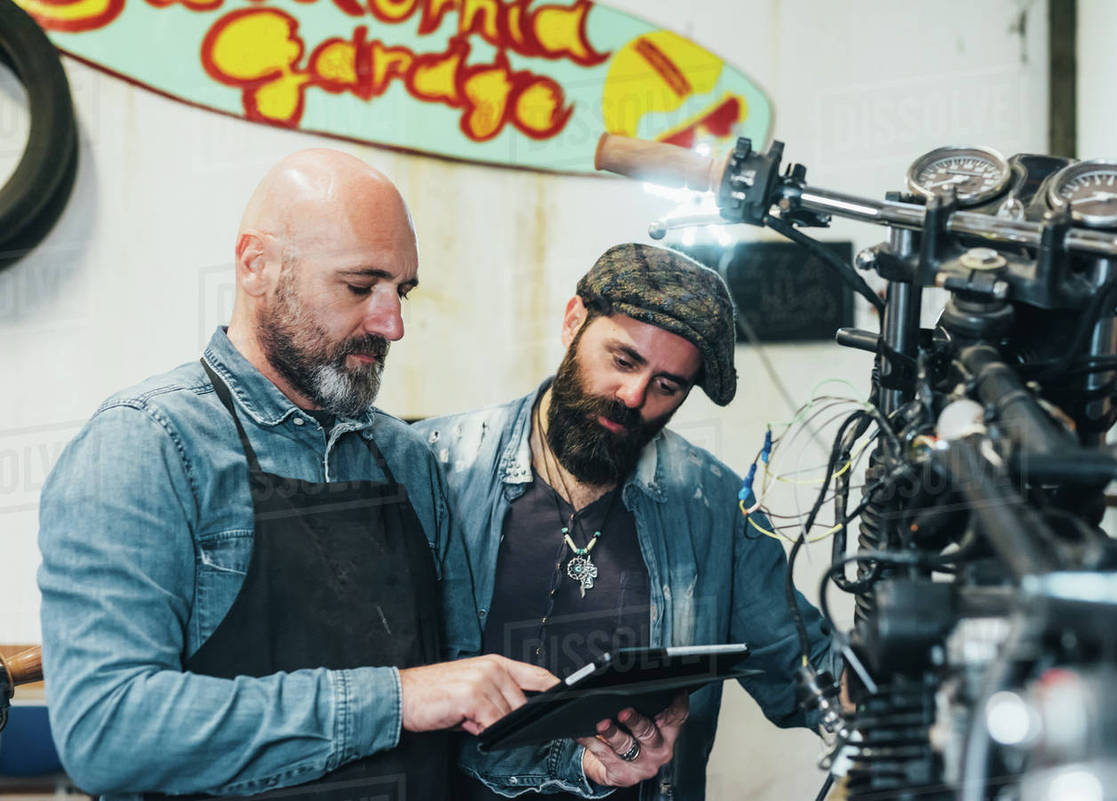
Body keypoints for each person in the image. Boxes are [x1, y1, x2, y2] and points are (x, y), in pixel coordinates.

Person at [36, 149, 565, 800]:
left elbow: (462, 714)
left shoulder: (406, 462)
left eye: (400, 291)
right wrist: (393, 698)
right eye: (358, 285)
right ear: (257, 265)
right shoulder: (147, 448)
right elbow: (109, 731)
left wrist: (578, 754)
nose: (392, 323)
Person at [414, 243, 840, 801]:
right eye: (622, 360)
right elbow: (374, 687)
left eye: (667, 386)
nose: (634, 396)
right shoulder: (432, 465)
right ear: (572, 322)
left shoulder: (716, 507)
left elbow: (807, 673)